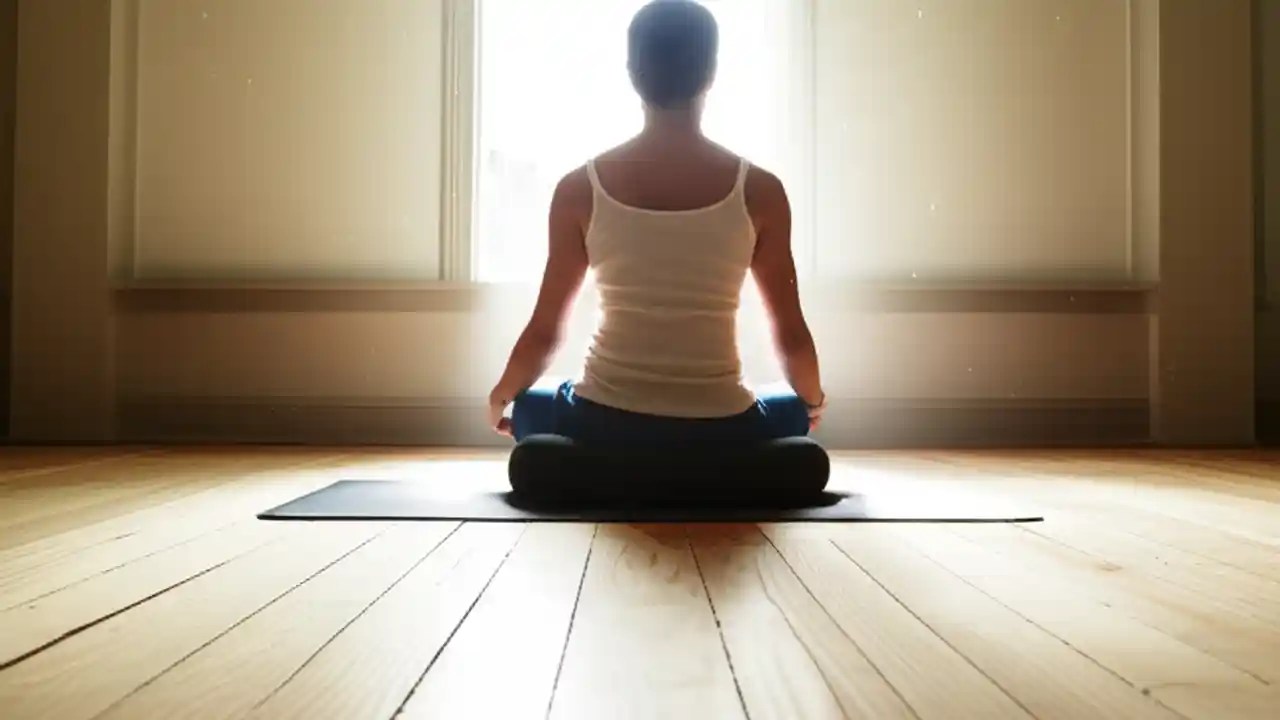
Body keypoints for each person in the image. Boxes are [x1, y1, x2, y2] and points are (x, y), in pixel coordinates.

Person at [486, 0, 825, 451]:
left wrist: (502, 396)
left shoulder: (578, 189)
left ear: (631, 71)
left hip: (600, 424)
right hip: (722, 428)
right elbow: (791, 334)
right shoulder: (761, 191)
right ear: (711, 73)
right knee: (791, 411)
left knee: (530, 407)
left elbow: (545, 333)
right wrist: (813, 400)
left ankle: (606, 469)